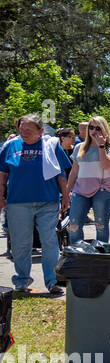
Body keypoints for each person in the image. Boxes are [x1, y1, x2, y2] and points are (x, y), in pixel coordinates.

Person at [0, 114, 72, 296]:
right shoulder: (10, 146)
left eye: (28, 130)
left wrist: (65, 196)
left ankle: (52, 281)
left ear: (40, 131)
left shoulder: (51, 146)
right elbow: (2, 175)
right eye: (21, 129)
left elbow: (61, 174)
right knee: (20, 244)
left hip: (47, 201)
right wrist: (1, 196)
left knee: (49, 241)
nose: (23, 133)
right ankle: (22, 280)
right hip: (18, 202)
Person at [65, 115, 110, 244]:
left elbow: (107, 165)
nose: (94, 131)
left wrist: (101, 146)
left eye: (98, 128)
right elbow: (74, 171)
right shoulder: (80, 147)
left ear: (104, 129)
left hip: (103, 190)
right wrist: (67, 191)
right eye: (91, 127)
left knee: (100, 226)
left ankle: (100, 257)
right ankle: (78, 255)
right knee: (74, 226)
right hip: (80, 191)